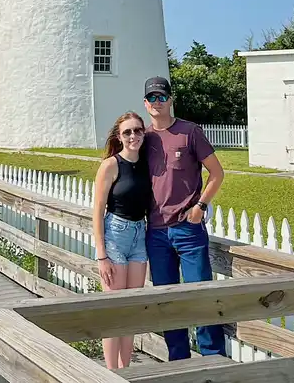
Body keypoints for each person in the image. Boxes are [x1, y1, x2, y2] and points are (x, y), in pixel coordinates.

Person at [143, 75, 227, 362]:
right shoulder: (144, 138)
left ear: (170, 99)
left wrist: (200, 206)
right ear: (145, 103)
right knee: (167, 303)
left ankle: (213, 361)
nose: (157, 102)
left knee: (200, 296)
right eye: (152, 97)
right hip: (155, 232)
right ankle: (178, 362)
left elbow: (217, 173)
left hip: (187, 229)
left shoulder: (190, 132)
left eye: (161, 96)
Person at [92, 111, 150, 370]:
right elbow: (97, 211)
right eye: (127, 132)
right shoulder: (111, 165)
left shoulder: (146, 163)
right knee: (115, 309)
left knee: (131, 309)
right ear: (118, 136)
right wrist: (102, 255)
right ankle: (111, 373)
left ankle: (125, 370)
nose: (133, 136)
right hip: (116, 234)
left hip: (139, 235)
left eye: (137, 130)